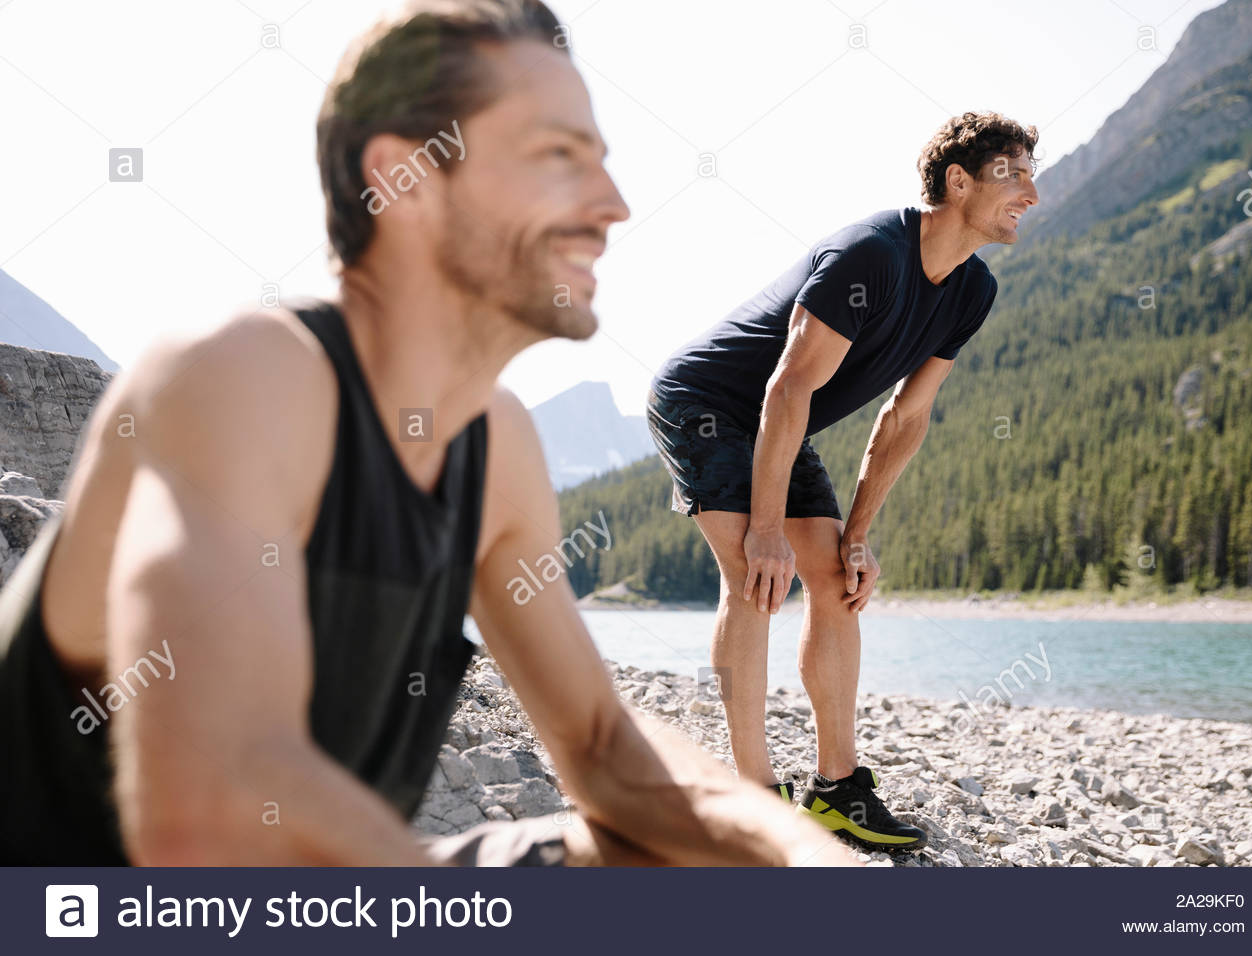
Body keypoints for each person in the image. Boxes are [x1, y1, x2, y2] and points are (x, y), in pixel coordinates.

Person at [0, 0, 854, 867]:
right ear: (407, 175)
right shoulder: (239, 377)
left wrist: (802, 860)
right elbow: (209, 812)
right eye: (559, 156)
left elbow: (598, 744)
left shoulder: (495, 444)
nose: (613, 205)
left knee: (681, 857)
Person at [646, 111, 1040, 852]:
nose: (1032, 192)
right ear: (959, 181)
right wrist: (765, 530)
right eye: (1012, 174)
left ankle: (837, 791)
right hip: (709, 401)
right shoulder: (871, 255)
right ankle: (754, 797)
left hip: (778, 419)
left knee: (834, 581)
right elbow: (788, 388)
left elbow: (905, 418)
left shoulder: (970, 291)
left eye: (1031, 174)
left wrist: (856, 536)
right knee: (756, 579)